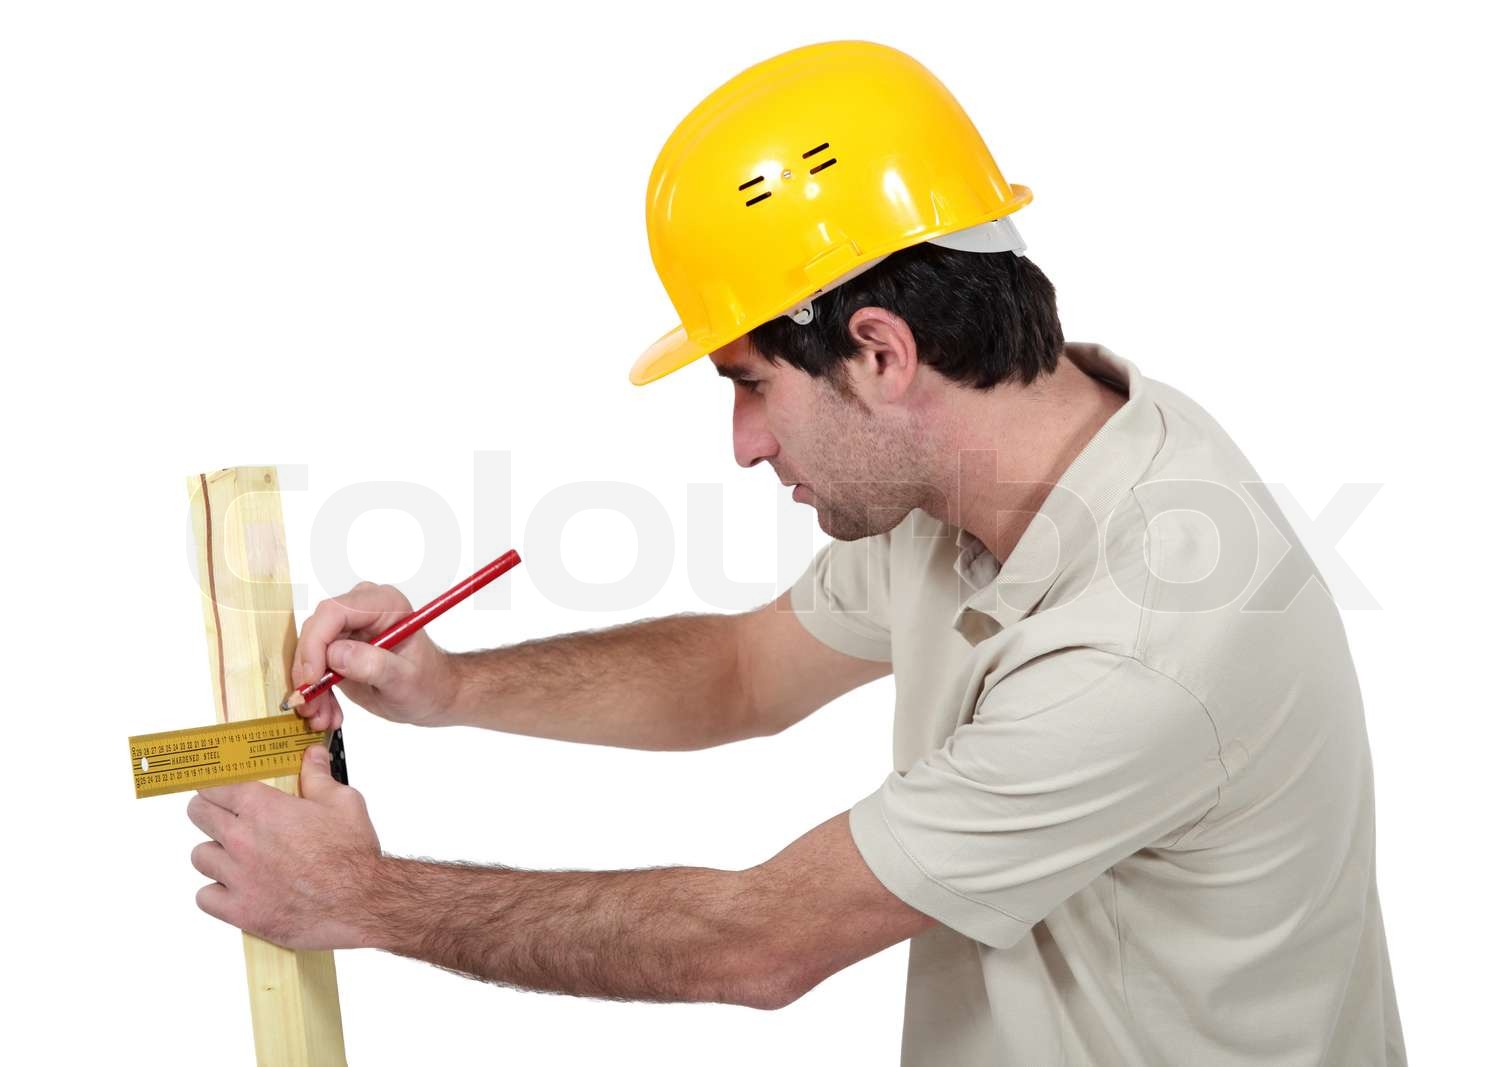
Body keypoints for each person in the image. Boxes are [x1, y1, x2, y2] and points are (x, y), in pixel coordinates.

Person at [185, 40, 1406, 1064]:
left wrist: (363, 898)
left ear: (878, 351)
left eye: (751, 384)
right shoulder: (1003, 463)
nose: (741, 441)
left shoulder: (1146, 645)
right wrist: (455, 689)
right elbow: (744, 670)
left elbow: (754, 942)